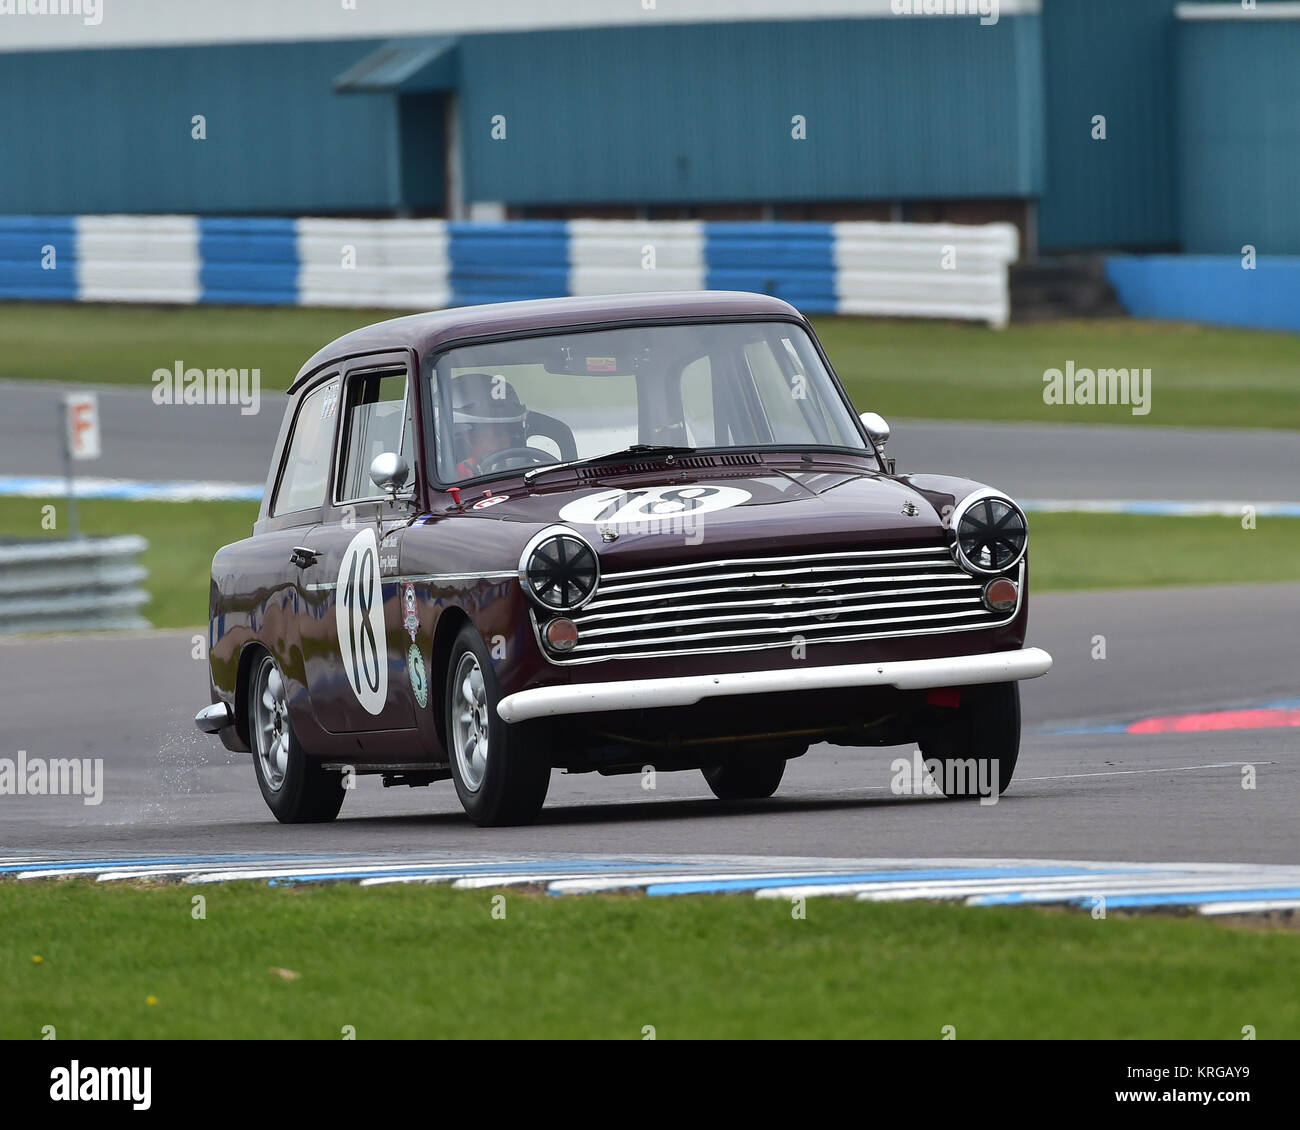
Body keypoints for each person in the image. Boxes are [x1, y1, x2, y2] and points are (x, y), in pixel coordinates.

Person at [449, 372, 529, 478]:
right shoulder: (452, 478)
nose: (507, 440)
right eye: (499, 432)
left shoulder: (529, 471)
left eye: (511, 430)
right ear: (468, 436)